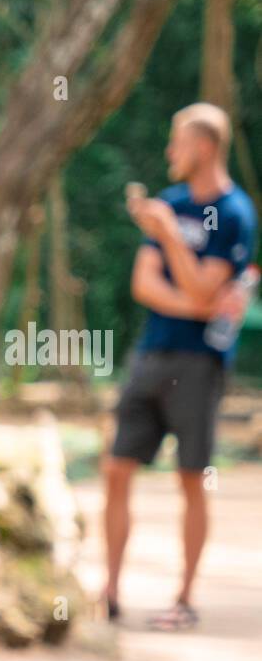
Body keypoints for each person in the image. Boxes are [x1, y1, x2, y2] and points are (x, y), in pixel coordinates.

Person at [104, 103, 257, 630]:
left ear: (205, 146)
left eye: (178, 142)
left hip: (200, 364)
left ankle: (184, 599)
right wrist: (197, 303)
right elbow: (144, 284)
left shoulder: (234, 213)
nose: (170, 152)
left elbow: (202, 282)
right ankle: (111, 591)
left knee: (191, 478)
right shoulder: (170, 202)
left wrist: (171, 237)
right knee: (116, 467)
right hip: (153, 353)